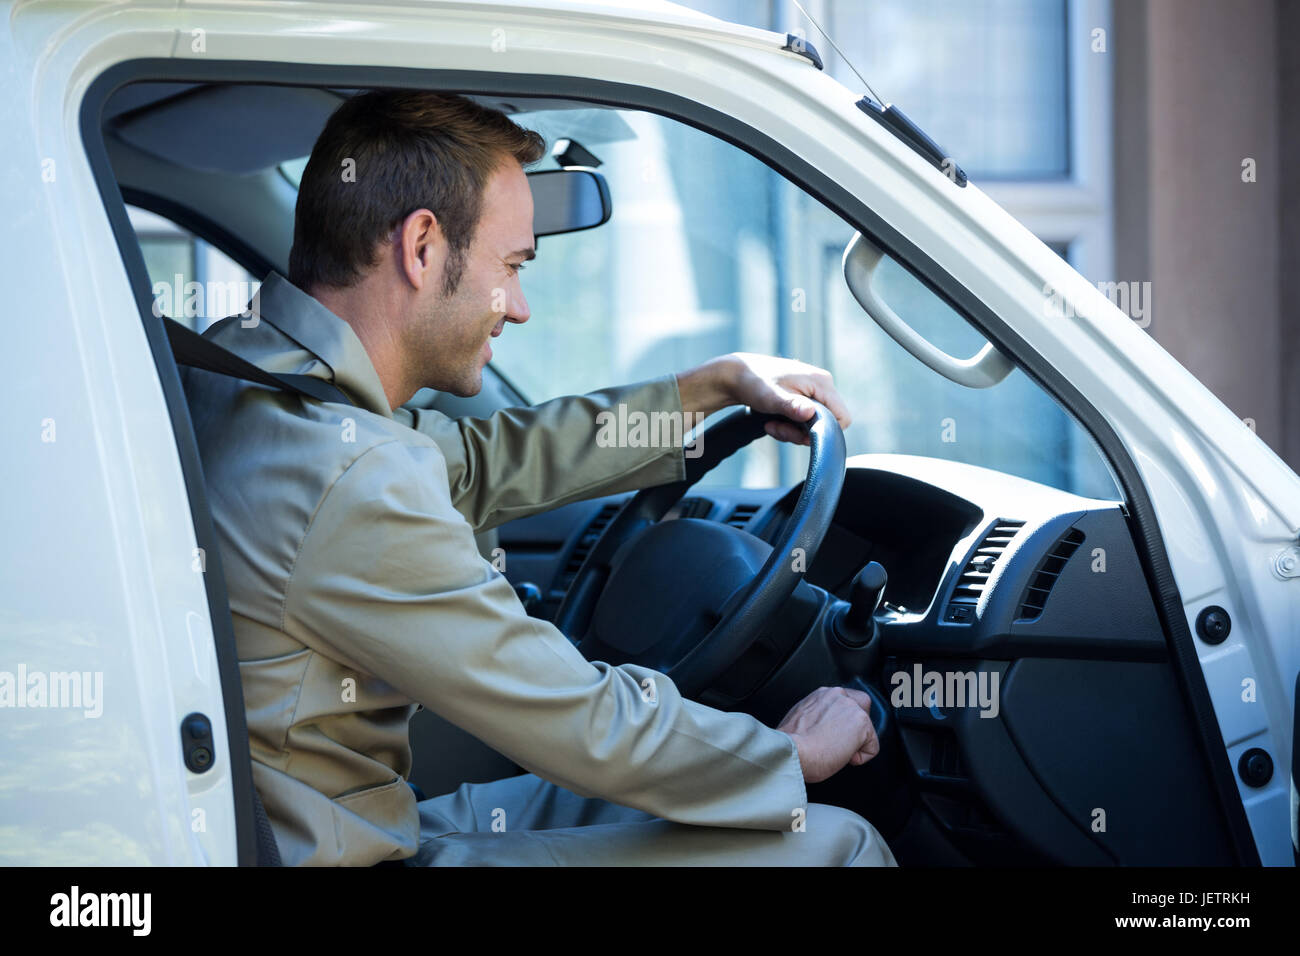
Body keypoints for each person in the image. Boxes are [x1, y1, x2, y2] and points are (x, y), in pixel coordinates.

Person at [184, 90, 896, 866]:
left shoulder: (254, 374)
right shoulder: (346, 474)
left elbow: (488, 461)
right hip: (348, 853)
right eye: (512, 266)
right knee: (837, 842)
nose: (518, 307)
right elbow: (580, 720)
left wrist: (712, 388)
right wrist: (785, 757)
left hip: (332, 824)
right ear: (422, 247)